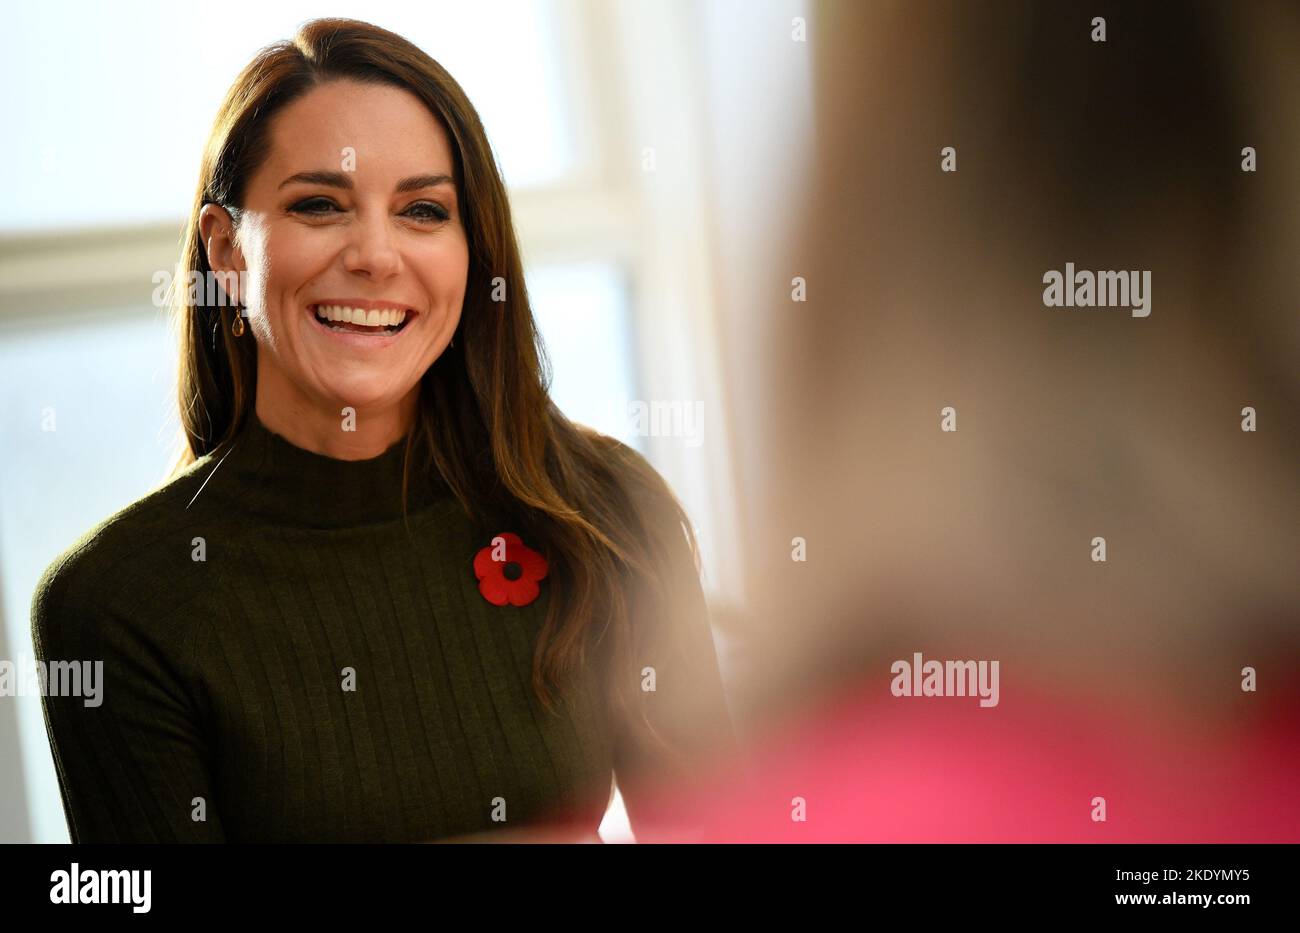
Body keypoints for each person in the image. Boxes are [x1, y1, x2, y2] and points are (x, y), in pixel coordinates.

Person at [30, 18, 734, 843]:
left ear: (472, 251)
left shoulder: (606, 506)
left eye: (423, 211)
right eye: (319, 205)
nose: (374, 255)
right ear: (227, 252)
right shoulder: (117, 606)